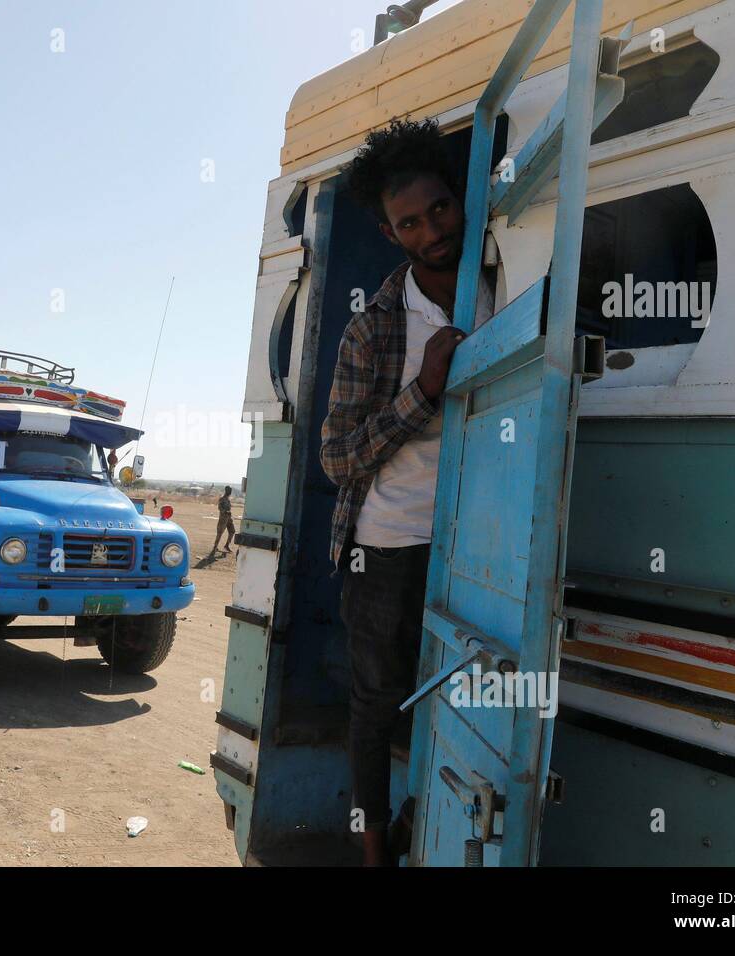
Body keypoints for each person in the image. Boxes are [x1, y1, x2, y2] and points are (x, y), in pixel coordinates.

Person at [319, 117, 492, 866]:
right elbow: (336, 458)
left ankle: (436, 835)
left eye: (440, 209)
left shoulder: (509, 286)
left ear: (461, 199)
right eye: (411, 223)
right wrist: (423, 390)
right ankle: (374, 852)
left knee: (465, 700)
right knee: (374, 705)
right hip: (387, 546)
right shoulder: (374, 329)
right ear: (391, 235)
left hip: (482, 546)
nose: (433, 231)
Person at [212, 486, 236, 554]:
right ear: (226, 491)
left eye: (231, 491)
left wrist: (229, 513)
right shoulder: (222, 499)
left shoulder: (228, 499)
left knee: (232, 531)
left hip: (229, 519)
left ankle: (226, 545)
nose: (230, 492)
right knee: (219, 533)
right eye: (229, 491)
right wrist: (225, 512)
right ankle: (215, 547)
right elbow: (220, 508)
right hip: (223, 519)